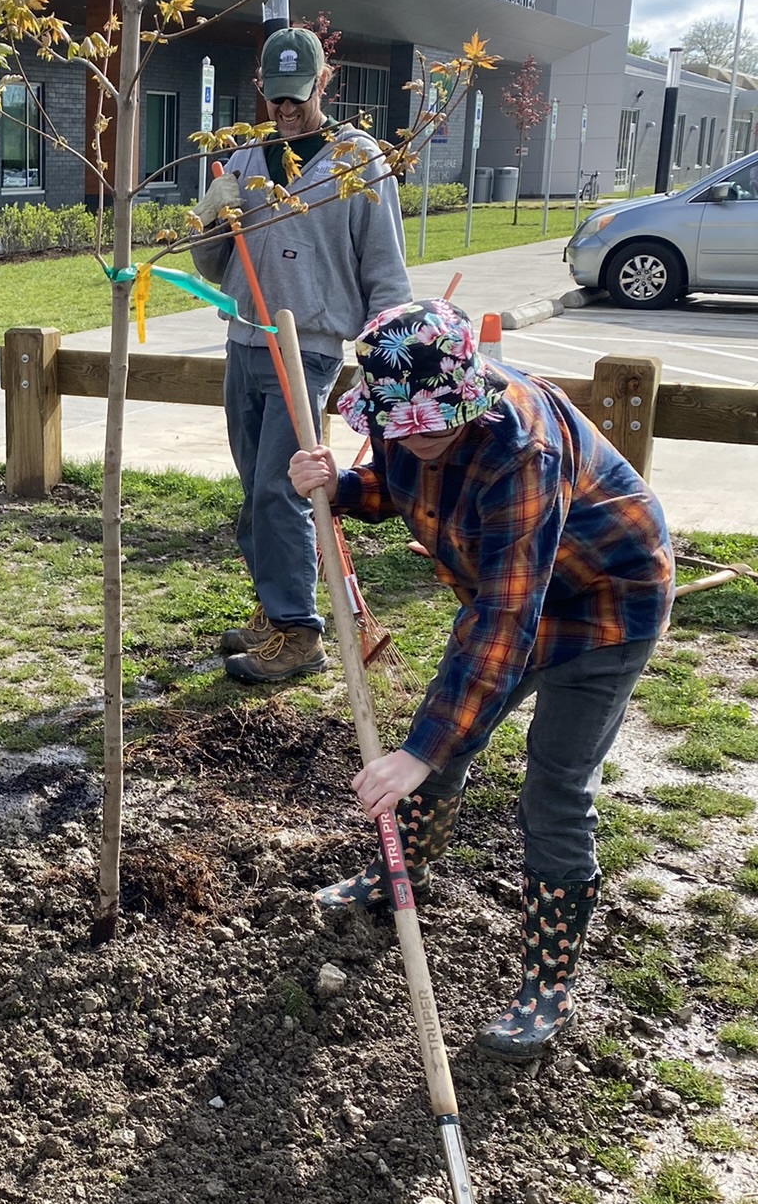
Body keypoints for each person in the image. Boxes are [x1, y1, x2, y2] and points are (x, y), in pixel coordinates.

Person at [288, 298, 674, 1061]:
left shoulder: (520, 448)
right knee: (441, 742)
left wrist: (420, 751)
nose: (420, 436)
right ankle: (405, 871)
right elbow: (400, 486)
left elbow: (505, 619)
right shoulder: (406, 419)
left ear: (470, 391)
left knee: (553, 787)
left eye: (437, 421)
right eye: (403, 425)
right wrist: (337, 484)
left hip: (606, 603)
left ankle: (545, 990)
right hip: (513, 593)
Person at [195, 26, 410, 684]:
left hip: (307, 347)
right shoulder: (245, 159)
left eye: (298, 97)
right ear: (261, 87)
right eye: (275, 97)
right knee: (253, 490)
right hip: (245, 338)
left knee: (280, 488)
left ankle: (300, 634)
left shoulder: (356, 159)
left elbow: (386, 267)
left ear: (324, 82)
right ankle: (272, 609)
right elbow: (210, 263)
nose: (286, 111)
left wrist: (391, 360)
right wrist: (208, 218)